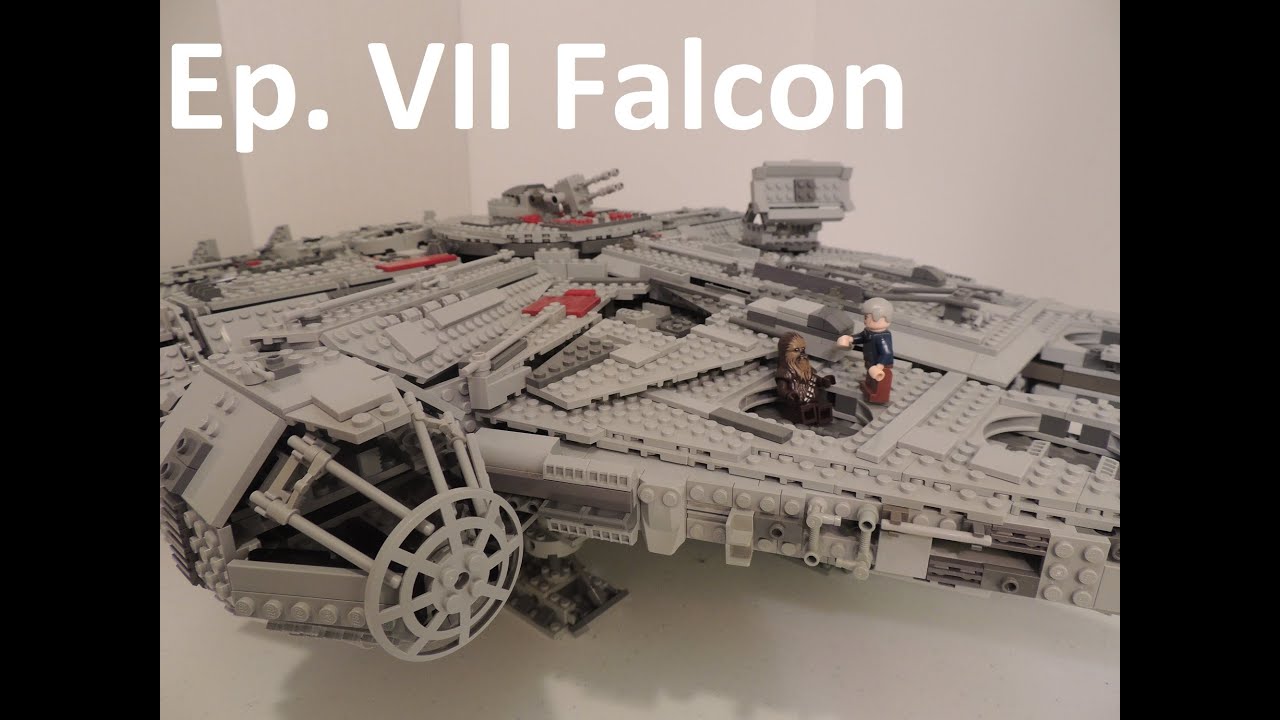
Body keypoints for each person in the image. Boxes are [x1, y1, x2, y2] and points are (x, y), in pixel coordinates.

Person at [837, 297, 895, 405]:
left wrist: (880, 366)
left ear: (878, 318)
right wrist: (850, 339)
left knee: (881, 380)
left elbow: (887, 353)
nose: (864, 320)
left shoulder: (882, 336)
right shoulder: (869, 332)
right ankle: (869, 387)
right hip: (871, 361)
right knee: (870, 375)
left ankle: (879, 395)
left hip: (881, 365)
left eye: (866, 317)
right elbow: (861, 337)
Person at [775, 332, 835, 425]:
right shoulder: (785, 373)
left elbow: (814, 378)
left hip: (813, 401)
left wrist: (823, 381)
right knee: (802, 412)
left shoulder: (806, 369)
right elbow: (782, 389)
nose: (802, 354)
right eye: (796, 350)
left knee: (822, 406)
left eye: (803, 349)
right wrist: (789, 394)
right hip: (796, 405)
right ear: (785, 354)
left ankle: (822, 420)